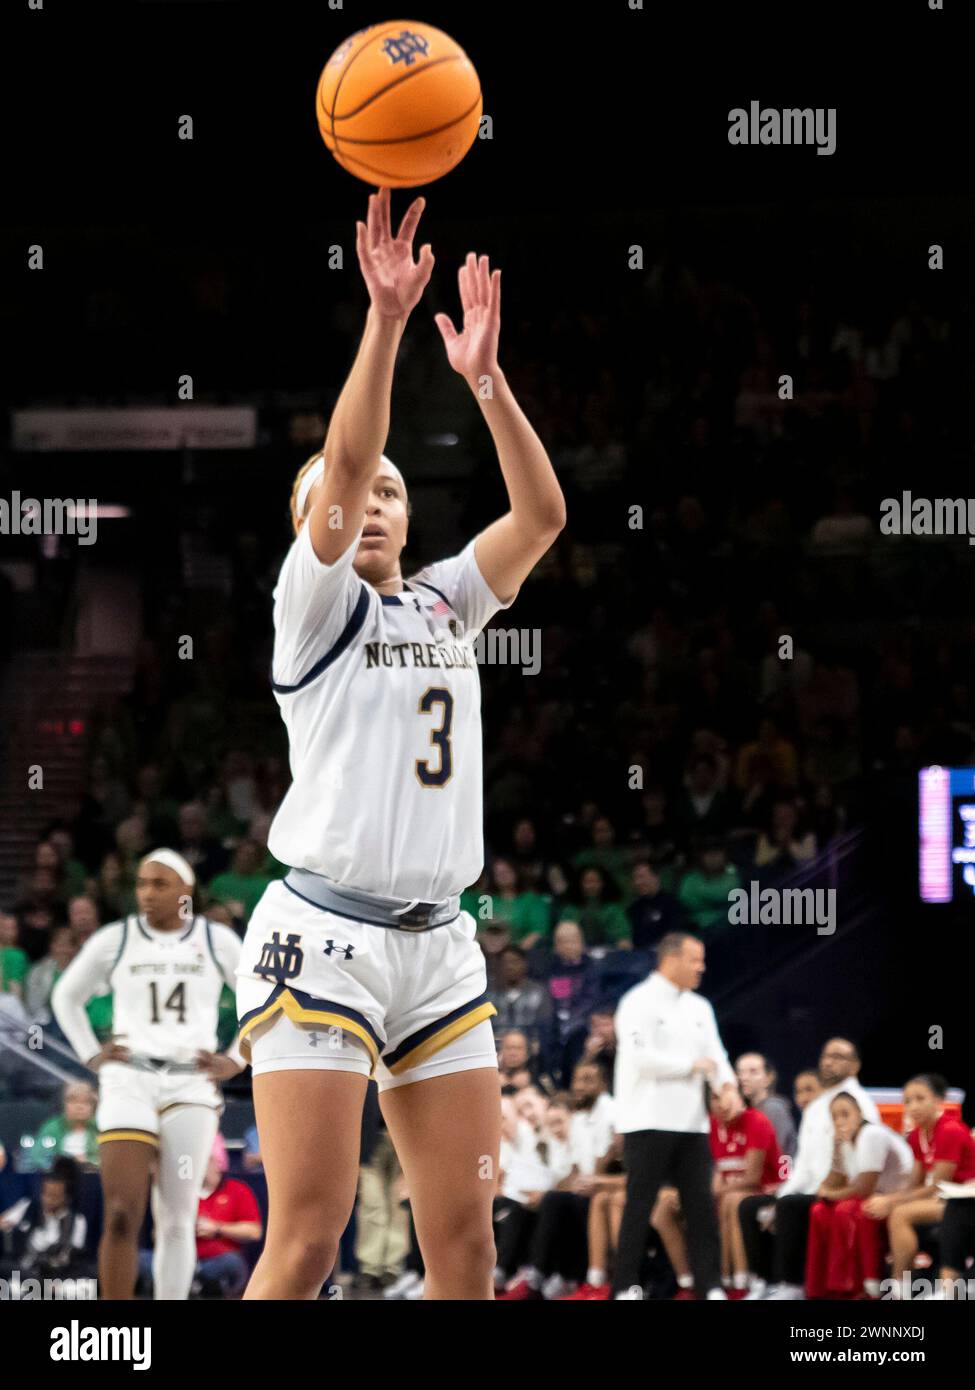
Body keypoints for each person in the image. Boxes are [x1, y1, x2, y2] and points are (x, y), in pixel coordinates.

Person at [234, 186, 566, 1301]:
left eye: (389, 490)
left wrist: (484, 379)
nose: (368, 499)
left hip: (442, 949)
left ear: (412, 516)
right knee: (312, 1235)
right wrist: (385, 322)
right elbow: (346, 447)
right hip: (323, 937)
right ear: (311, 526)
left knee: (466, 1244)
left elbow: (542, 519)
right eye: (346, 492)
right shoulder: (314, 608)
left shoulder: (445, 603)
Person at [51, 849, 245, 1299]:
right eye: (141, 883)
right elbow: (66, 997)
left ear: (186, 891)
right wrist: (91, 1055)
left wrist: (237, 1058)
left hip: (190, 1084)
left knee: (177, 1218)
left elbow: (266, 996)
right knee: (121, 1211)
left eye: (159, 884)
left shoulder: (217, 941)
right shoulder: (116, 938)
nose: (147, 893)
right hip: (128, 1080)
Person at [610, 931, 738, 1300]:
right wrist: (693, 1066)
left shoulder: (701, 1007)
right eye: (695, 959)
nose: (702, 967)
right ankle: (623, 1287)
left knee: (700, 1207)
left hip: (692, 1122)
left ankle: (710, 1285)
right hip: (646, 1119)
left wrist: (727, 1087)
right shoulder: (636, 1001)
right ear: (671, 959)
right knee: (639, 1205)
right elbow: (640, 1058)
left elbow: (718, 1055)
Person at [739, 1037, 880, 1301]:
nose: (828, 1061)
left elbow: (862, 1160)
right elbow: (802, 1165)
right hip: (808, 1188)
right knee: (750, 1206)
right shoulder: (816, 1107)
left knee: (790, 1206)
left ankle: (792, 1285)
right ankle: (763, 1281)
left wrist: (789, 1200)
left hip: (841, 1189)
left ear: (855, 1066)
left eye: (838, 1057)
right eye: (826, 1055)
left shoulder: (861, 1103)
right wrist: (778, 1197)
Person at [864, 1073, 975, 1295]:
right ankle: (875, 1278)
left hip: (961, 1201)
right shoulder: (917, 1135)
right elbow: (914, 1184)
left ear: (937, 1101)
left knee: (900, 1213)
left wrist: (891, 1200)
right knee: (881, 1208)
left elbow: (939, 1186)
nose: (912, 1106)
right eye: (907, 1101)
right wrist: (887, 1200)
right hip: (940, 1198)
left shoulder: (950, 1130)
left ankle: (899, 1285)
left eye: (920, 1099)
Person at [804, 1091, 912, 1299]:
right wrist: (836, 1150)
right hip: (872, 1198)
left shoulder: (871, 1134)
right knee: (819, 1211)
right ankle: (822, 1287)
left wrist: (830, 1193)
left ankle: (862, 1285)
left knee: (848, 1209)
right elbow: (831, 1184)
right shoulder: (844, 1141)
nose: (840, 1121)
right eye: (834, 1117)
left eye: (845, 1114)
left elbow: (864, 1188)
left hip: (896, 1198)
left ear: (859, 1113)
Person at [0, 1157, 93, 1285]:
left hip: (59, 1274)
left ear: (66, 1197)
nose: (48, 1200)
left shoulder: (77, 1221)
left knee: (88, 1274)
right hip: (26, 1271)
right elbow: (4, 1221)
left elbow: (73, 1256)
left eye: (54, 1196)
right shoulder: (29, 1207)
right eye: (45, 1194)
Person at [193, 1139, 263, 1298]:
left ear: (218, 1162)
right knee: (144, 1261)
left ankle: (194, 1282)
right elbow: (159, 1234)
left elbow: (254, 1231)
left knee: (230, 1263)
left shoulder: (237, 1190)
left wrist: (217, 1229)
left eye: (205, 1159)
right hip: (186, 1259)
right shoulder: (184, 1194)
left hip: (221, 1260)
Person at [22, 1081, 100, 1172]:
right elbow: (38, 1156)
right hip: (59, 1177)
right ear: (65, 1105)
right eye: (74, 1102)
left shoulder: (99, 1129)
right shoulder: (52, 1127)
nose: (80, 1107)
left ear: (93, 1107)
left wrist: (89, 1162)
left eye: (85, 1102)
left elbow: (108, 1159)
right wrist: (69, 1161)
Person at [735, 1051, 797, 1157]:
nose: (744, 1078)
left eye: (753, 1071)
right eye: (740, 1072)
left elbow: (776, 1151)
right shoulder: (747, 1112)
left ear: (769, 1077)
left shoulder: (773, 1108)